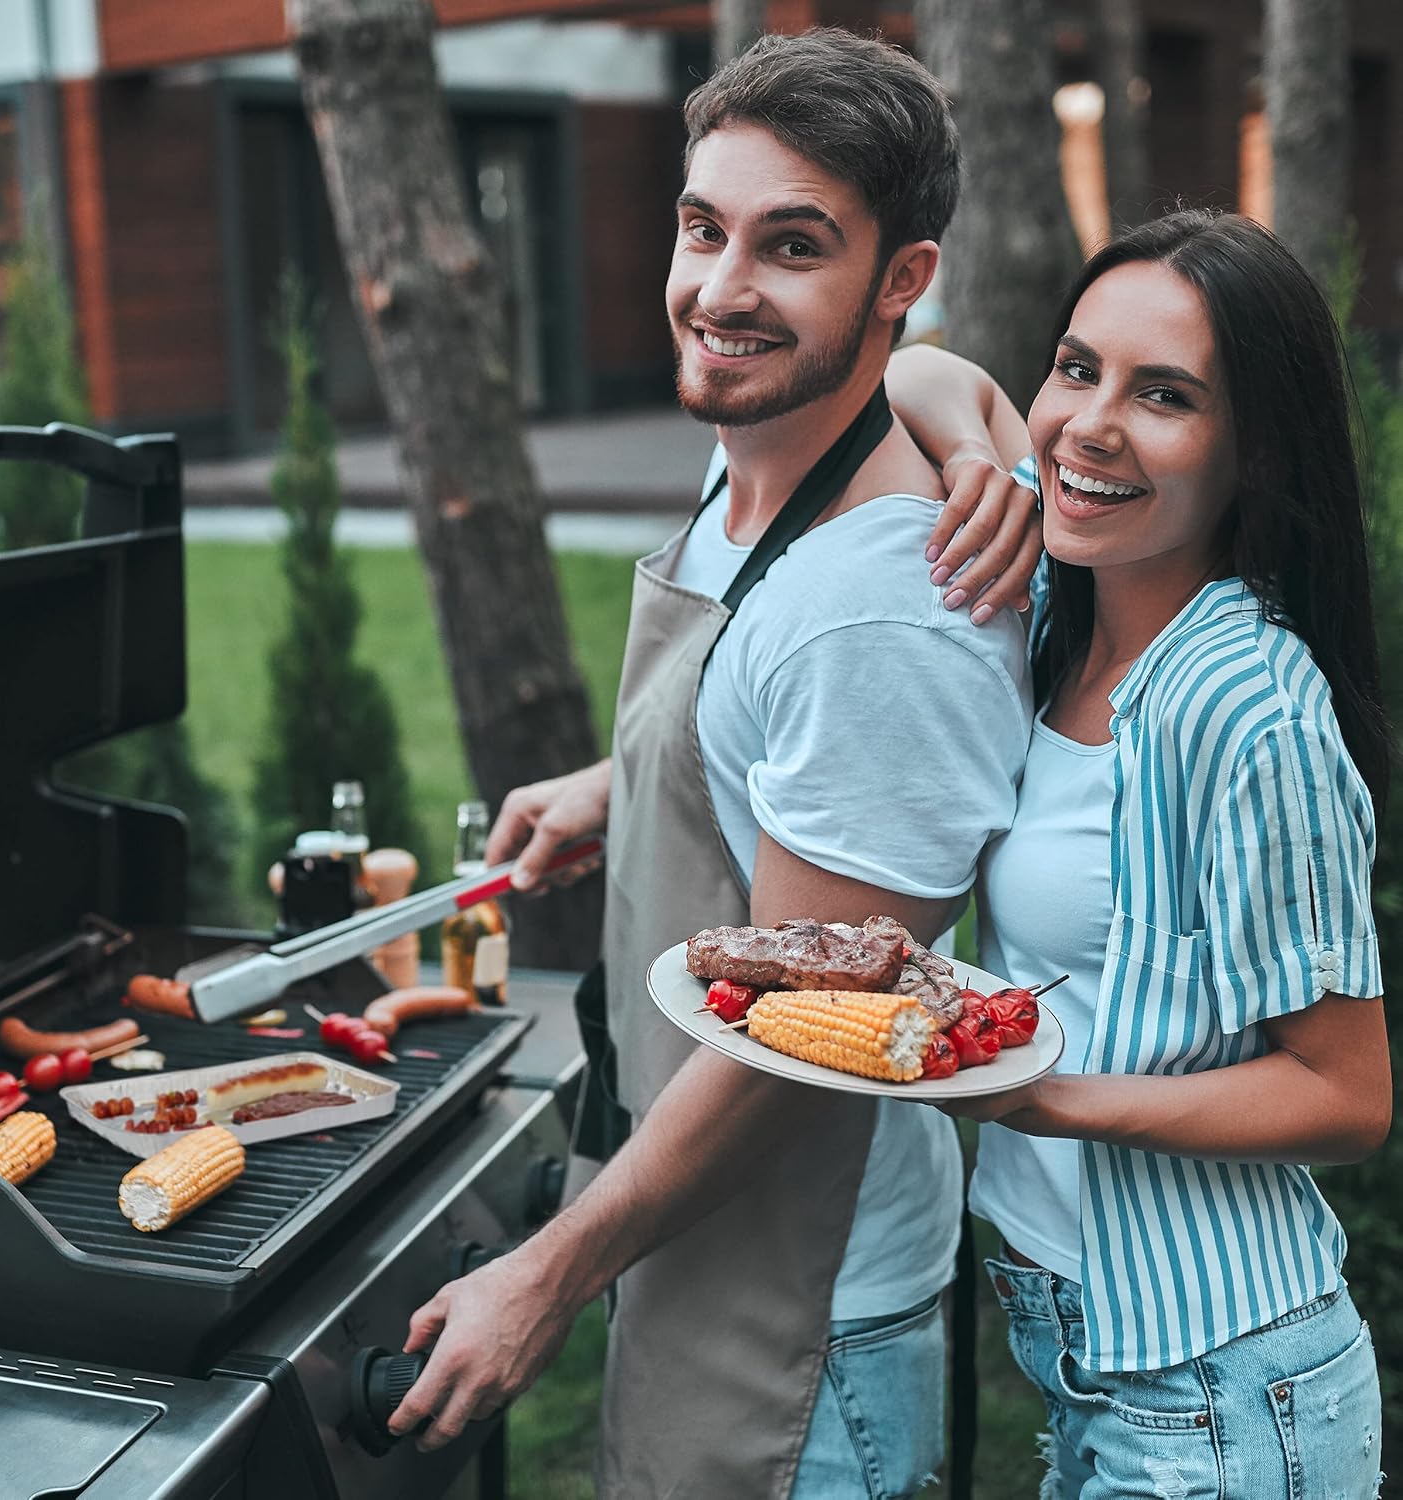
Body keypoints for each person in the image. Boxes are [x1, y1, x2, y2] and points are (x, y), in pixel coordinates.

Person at [386, 29, 1042, 1499]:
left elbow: (799, 1052)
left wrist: (551, 1273)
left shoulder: (881, 612)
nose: (720, 290)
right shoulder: (769, 431)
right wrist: (634, 780)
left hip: (804, 1305)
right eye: (703, 227)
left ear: (901, 280)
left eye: (791, 245)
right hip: (695, 1221)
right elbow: (755, 716)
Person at [905, 208, 1391, 1498]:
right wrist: (977, 444)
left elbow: (1346, 1096)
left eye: (1164, 395)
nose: (1088, 427)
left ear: (1254, 450)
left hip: (1221, 1388)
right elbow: (913, 371)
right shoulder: (1060, 599)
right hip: (1092, 1355)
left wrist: (1036, 1096)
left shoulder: (1244, 705)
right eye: (1075, 369)